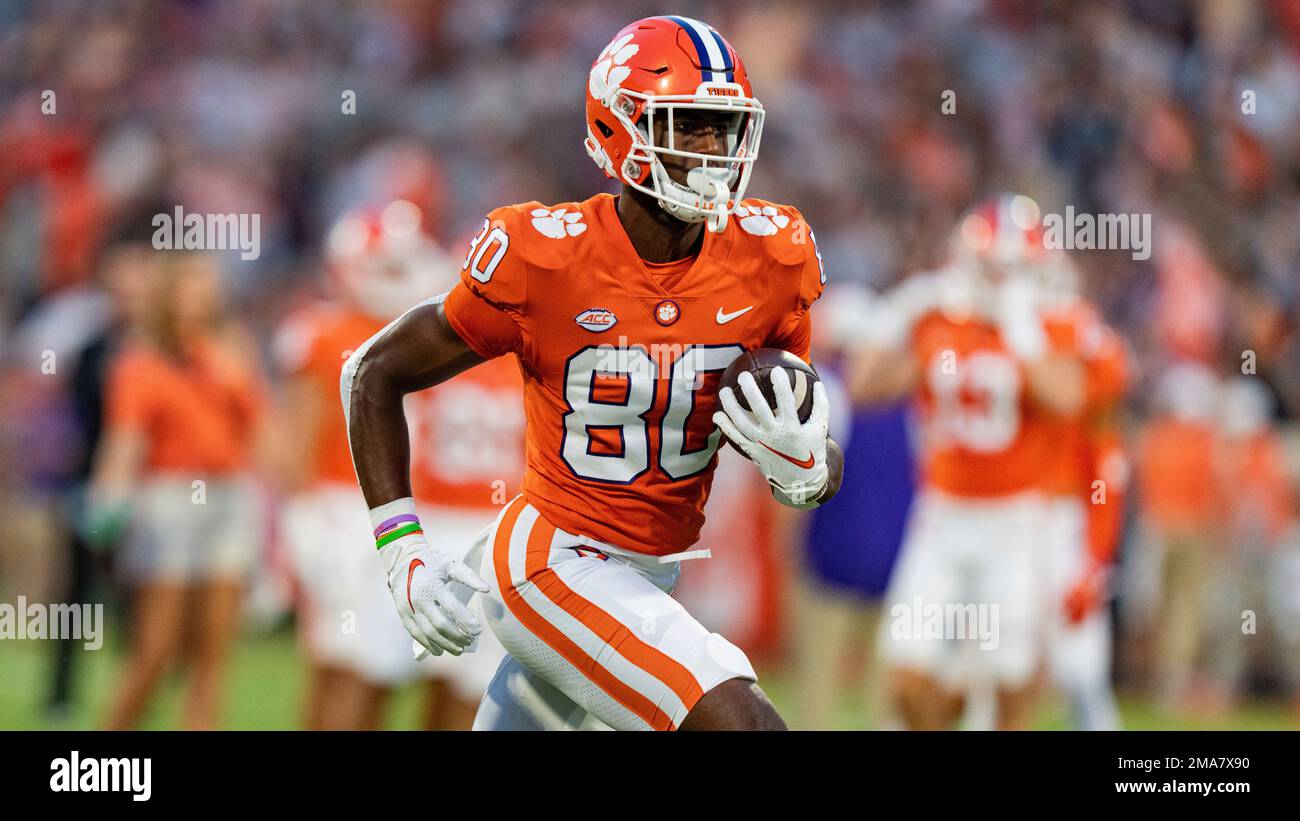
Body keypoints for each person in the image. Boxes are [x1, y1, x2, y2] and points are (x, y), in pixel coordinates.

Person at [341, 16, 844, 731]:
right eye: (687, 124)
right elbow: (373, 371)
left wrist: (806, 471)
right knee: (746, 725)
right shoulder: (543, 257)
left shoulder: (773, 256)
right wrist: (402, 549)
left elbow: (812, 439)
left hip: (652, 571)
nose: (711, 149)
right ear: (619, 130)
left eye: (721, 127)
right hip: (550, 562)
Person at [849, 194, 1088, 730]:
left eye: (1011, 268)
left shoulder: (1048, 325)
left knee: (1011, 685)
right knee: (906, 677)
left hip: (1017, 522)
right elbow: (866, 388)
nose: (1000, 279)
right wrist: (897, 315)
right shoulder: (940, 318)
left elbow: (1069, 398)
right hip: (943, 517)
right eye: (992, 266)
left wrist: (1022, 331)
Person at [276, 202, 515, 730]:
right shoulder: (522, 355)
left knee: (371, 671)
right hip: (471, 531)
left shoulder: (416, 343)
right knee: (432, 683)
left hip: (419, 524)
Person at [91, 250, 270, 729]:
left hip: (229, 496)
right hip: (168, 501)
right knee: (157, 647)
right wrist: (107, 496)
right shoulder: (142, 359)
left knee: (214, 654)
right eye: (189, 287)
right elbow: (125, 439)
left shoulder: (232, 351)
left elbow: (260, 431)